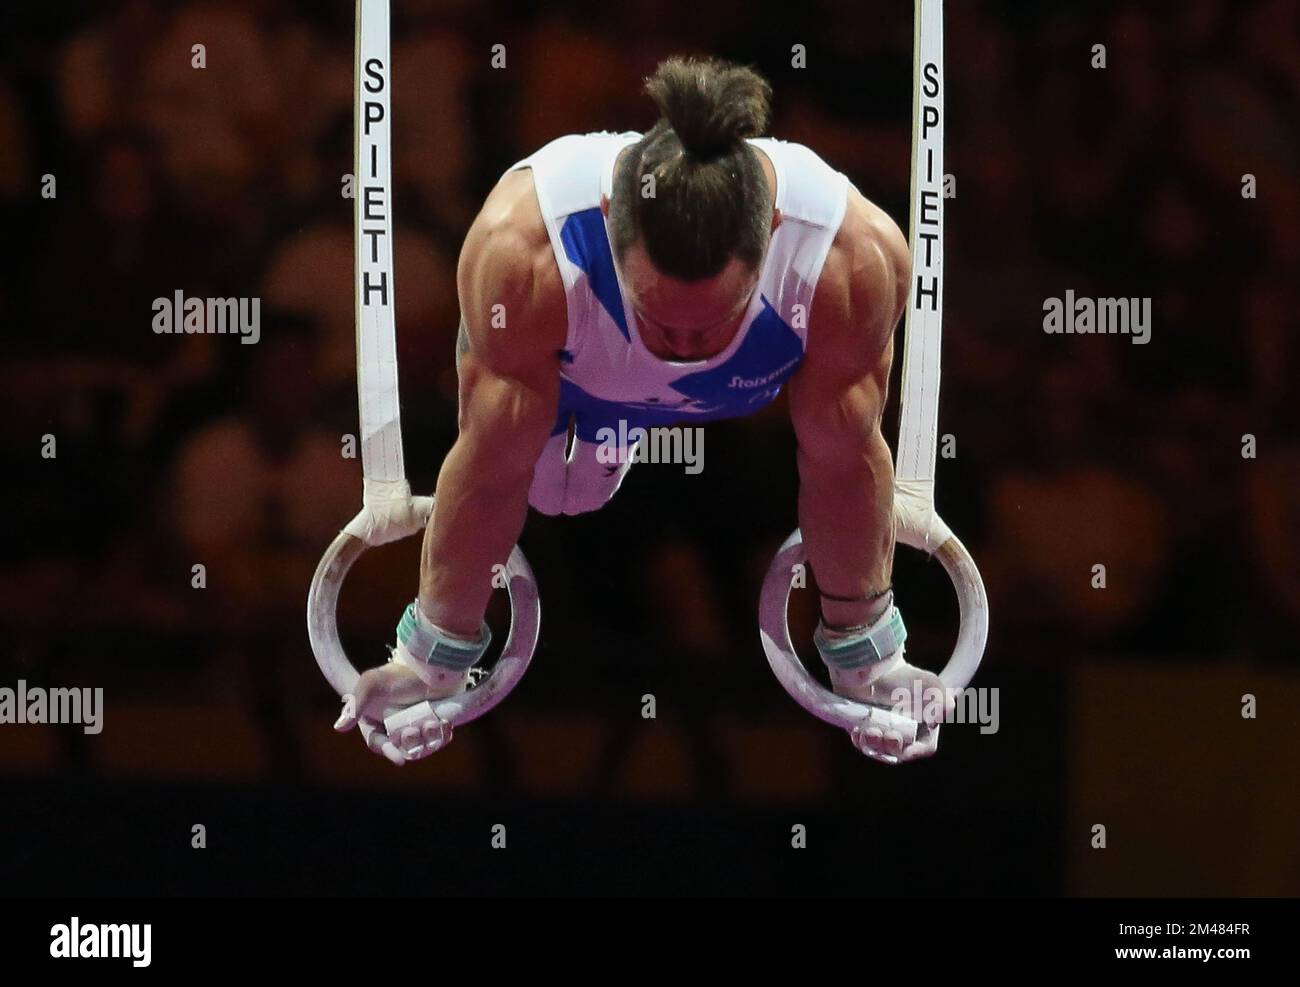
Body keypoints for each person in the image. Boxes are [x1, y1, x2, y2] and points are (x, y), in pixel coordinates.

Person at [335, 56, 945, 762]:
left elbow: (842, 464)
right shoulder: (525, 252)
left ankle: (613, 429)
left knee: (837, 431)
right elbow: (492, 468)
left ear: (774, 231)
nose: (684, 344)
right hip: (574, 375)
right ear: (604, 226)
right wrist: (431, 660)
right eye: (659, 318)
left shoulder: (850, 262)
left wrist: (866, 660)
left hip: (702, 391)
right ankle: (599, 434)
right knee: (533, 469)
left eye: (713, 320)